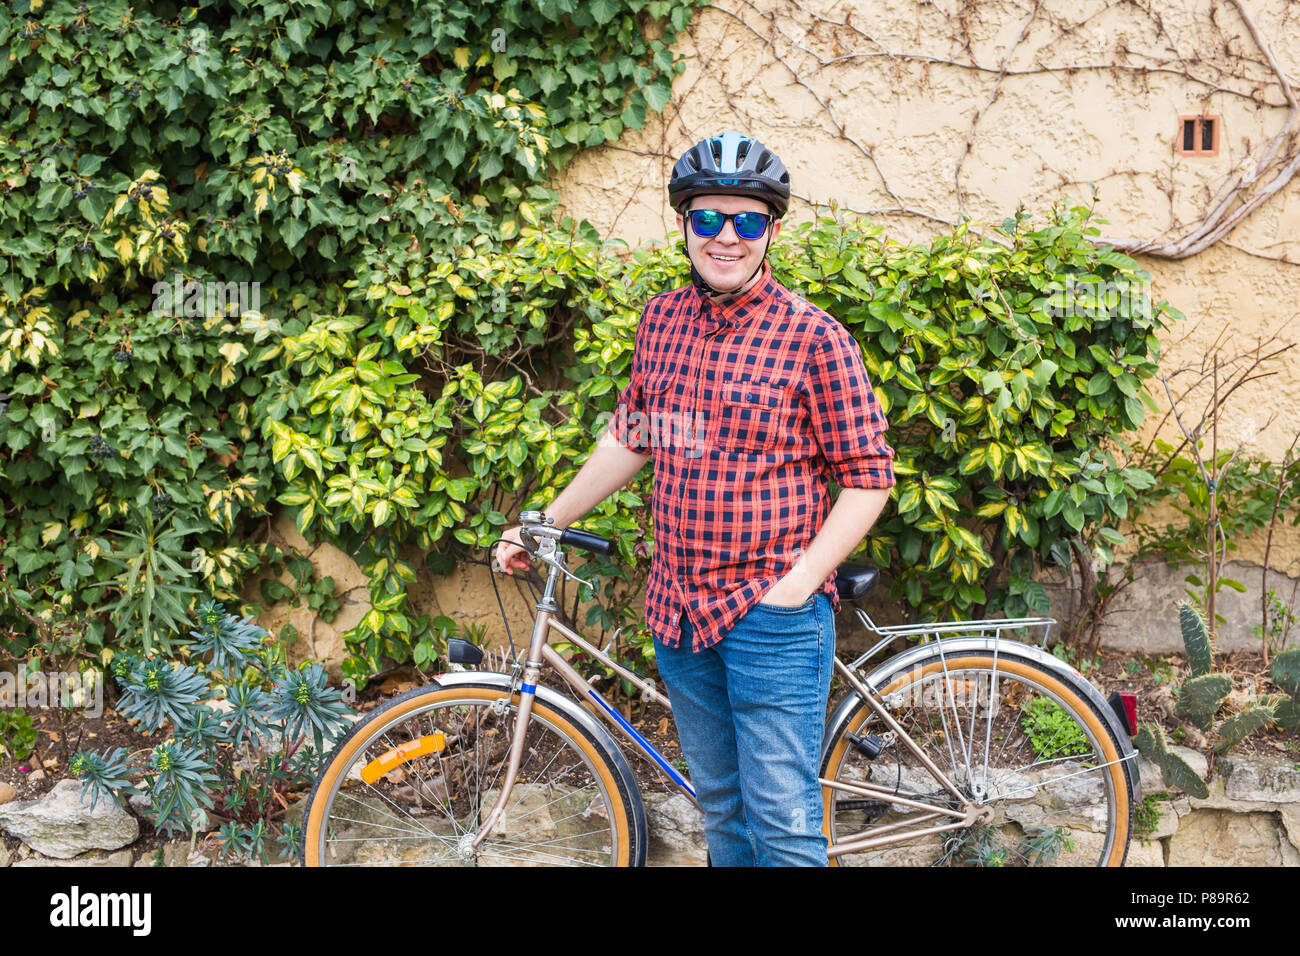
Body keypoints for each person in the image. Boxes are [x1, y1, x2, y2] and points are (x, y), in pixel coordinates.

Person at [495, 132, 895, 866]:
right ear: (684, 225)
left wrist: (798, 585)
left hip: (768, 614)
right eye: (709, 219)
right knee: (723, 812)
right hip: (677, 610)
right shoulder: (662, 320)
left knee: (782, 824)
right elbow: (632, 437)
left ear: (772, 229)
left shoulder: (815, 338)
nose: (727, 237)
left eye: (746, 220)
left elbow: (869, 476)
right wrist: (542, 522)